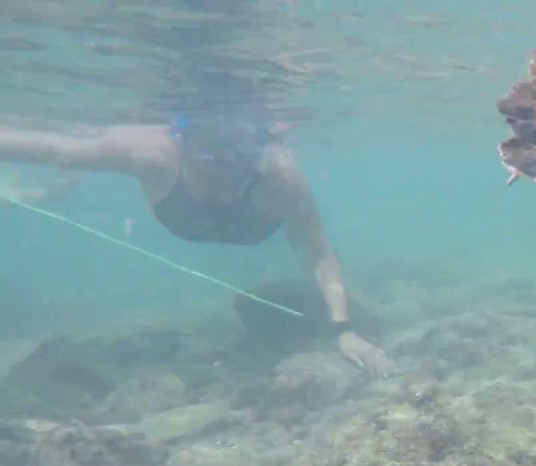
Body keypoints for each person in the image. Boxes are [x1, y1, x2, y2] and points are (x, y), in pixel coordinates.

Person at [0, 108, 391, 377]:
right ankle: (56, 191)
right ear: (184, 148)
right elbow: (51, 148)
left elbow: (317, 251)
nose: (221, 181)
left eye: (234, 167)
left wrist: (343, 329)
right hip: (179, 197)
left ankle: (59, 188)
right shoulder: (151, 154)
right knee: (80, 157)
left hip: (246, 223)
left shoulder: (281, 179)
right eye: (209, 163)